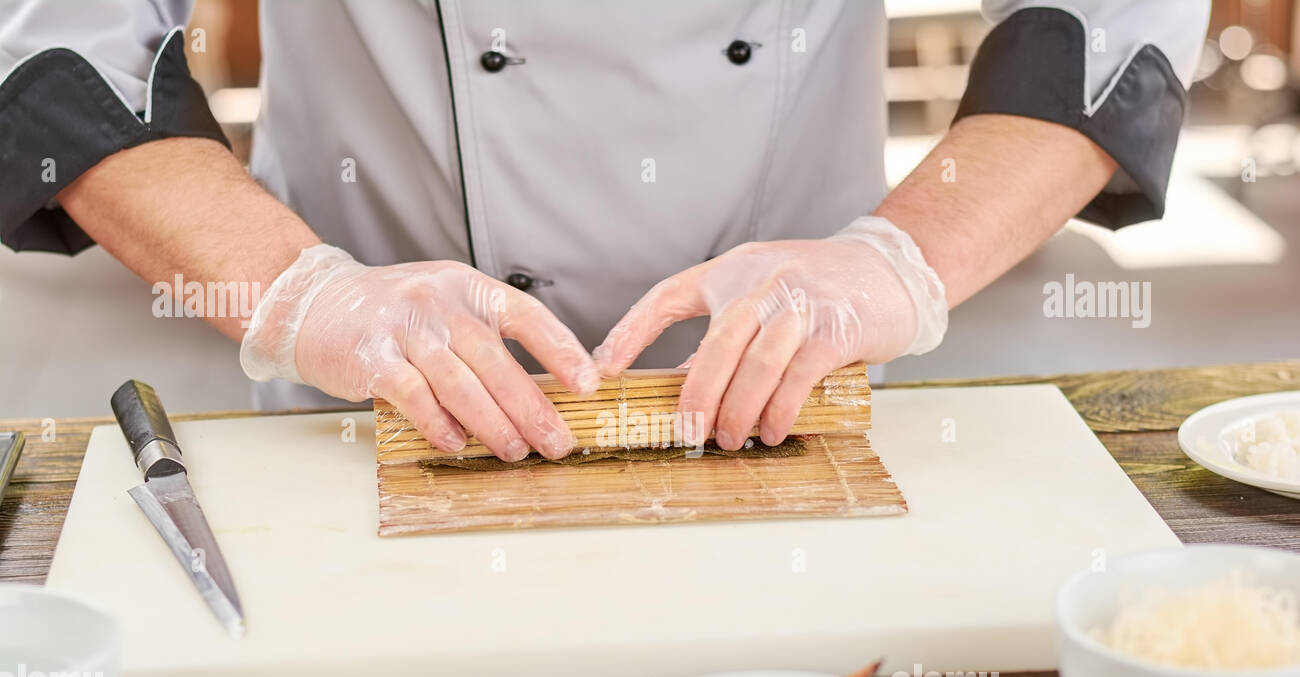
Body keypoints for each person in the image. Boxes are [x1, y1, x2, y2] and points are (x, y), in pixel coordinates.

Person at [0, 1, 1209, 461]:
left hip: (789, 400)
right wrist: (300, 296)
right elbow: (62, 32)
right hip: (365, 413)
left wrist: (898, 258)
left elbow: (1106, 16)